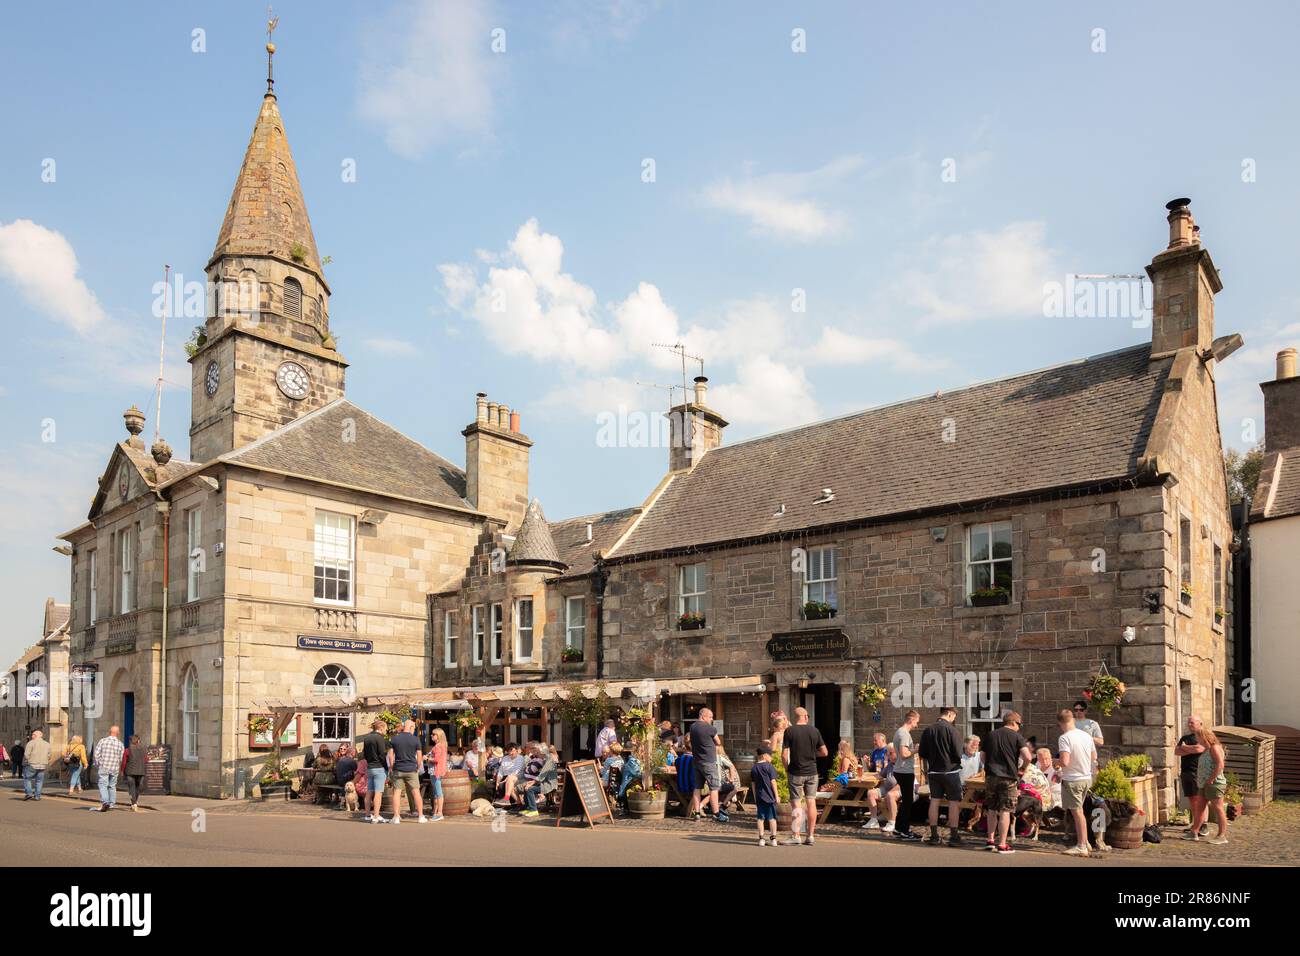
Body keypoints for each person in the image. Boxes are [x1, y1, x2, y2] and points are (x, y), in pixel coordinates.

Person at [980, 711, 1032, 854]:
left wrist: (990, 767)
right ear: (1013, 722)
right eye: (1019, 724)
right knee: (1005, 810)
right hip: (1008, 777)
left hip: (991, 776)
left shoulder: (991, 735)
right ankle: (1002, 844)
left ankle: (990, 840)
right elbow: (1028, 756)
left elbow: (982, 756)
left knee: (991, 808)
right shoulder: (1017, 736)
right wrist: (1022, 769)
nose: (1019, 727)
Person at [919, 706, 965, 846]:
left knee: (934, 801)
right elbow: (958, 753)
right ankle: (954, 837)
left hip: (933, 771)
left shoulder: (928, 730)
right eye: (954, 717)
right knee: (953, 803)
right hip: (950, 771)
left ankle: (934, 836)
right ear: (950, 714)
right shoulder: (953, 731)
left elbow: (922, 753)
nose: (954, 720)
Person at [782, 706, 828, 845]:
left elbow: (784, 755)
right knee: (811, 802)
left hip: (795, 772)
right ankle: (810, 836)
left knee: (796, 804)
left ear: (795, 717)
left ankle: (796, 836)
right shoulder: (814, 731)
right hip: (812, 772)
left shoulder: (789, 731)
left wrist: (787, 769)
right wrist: (813, 755)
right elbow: (825, 752)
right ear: (806, 717)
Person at [1057, 708, 1100, 856]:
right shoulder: (1086, 736)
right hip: (1086, 778)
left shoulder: (1064, 738)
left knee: (1077, 813)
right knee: (1079, 811)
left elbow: (1065, 761)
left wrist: (1053, 761)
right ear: (1073, 720)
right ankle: (1086, 842)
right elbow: (1093, 756)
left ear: (1060, 723)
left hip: (1073, 779)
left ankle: (1081, 845)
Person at [1188, 725, 1229, 845]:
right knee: (1199, 808)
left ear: (1204, 737)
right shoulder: (1207, 749)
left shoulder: (1215, 748)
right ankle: (1194, 832)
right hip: (1204, 784)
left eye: (1198, 737)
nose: (1197, 740)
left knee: (1218, 809)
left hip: (1215, 784)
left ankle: (1222, 836)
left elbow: (1220, 765)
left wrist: (1211, 779)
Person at [689, 708, 729, 823]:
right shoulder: (710, 728)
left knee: (697, 787)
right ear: (703, 716)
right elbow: (718, 742)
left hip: (697, 761)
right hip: (709, 761)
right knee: (714, 787)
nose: (712, 719)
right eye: (710, 717)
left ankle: (696, 813)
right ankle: (716, 813)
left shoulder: (692, 727)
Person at [1174, 715, 1211, 837]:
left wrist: (1185, 747)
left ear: (1200, 723)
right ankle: (1196, 824)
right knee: (1192, 799)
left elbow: (1199, 749)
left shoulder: (1203, 736)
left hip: (1199, 772)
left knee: (1201, 800)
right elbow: (1177, 752)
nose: (1189, 724)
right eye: (1188, 722)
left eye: (1192, 722)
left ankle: (1204, 825)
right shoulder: (1185, 737)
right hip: (1186, 772)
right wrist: (1189, 749)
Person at [388, 719, 426, 824]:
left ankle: (396, 817)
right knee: (416, 793)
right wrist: (418, 767)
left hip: (398, 769)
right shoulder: (415, 740)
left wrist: (391, 766)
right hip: (411, 769)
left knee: (396, 793)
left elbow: (391, 755)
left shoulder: (394, 739)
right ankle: (421, 816)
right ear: (411, 728)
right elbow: (419, 756)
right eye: (413, 727)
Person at [891, 710, 921, 841]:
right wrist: (916, 750)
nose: (917, 725)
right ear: (911, 720)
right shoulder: (904, 734)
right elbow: (904, 754)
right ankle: (904, 831)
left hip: (901, 770)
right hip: (904, 771)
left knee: (905, 801)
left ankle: (898, 829)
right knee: (908, 802)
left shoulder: (900, 732)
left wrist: (912, 749)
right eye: (916, 722)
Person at [359, 718, 391, 823]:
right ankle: (376, 816)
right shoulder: (380, 738)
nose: (386, 731)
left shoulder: (367, 737)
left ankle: (368, 815)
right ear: (381, 728)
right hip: (379, 767)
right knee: (378, 793)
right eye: (385, 728)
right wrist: (386, 768)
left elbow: (364, 754)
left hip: (370, 767)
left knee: (369, 792)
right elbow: (382, 754)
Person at [750, 744, 780, 846]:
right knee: (772, 818)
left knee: (760, 818)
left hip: (759, 797)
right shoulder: (769, 767)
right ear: (764, 756)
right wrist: (777, 795)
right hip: (770, 797)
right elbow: (773, 782)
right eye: (770, 755)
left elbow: (753, 784)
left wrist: (755, 796)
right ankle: (773, 839)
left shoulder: (754, 768)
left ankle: (761, 839)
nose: (771, 757)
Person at [862, 756, 901, 833]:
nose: (889, 755)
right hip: (886, 789)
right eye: (889, 753)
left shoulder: (902, 765)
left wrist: (890, 792)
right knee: (871, 792)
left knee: (890, 795)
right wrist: (865, 777)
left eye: (891, 753)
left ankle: (892, 823)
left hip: (899, 789)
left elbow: (902, 783)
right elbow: (880, 775)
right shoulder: (890, 764)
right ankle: (873, 820)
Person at [519, 742, 558, 817]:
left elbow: (542, 774)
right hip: (542, 782)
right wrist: (528, 756)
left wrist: (532, 782)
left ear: (542, 752)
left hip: (549, 784)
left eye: (538, 752)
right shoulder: (544, 759)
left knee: (530, 789)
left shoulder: (549, 759)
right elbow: (525, 765)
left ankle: (533, 810)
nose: (537, 753)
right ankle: (528, 808)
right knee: (526, 786)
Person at [92, 725, 124, 812]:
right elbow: (121, 758)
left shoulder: (103, 741)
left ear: (110, 732)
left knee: (103, 784)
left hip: (104, 766)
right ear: (118, 733)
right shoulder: (120, 744)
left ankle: (105, 802)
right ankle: (111, 803)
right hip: (115, 768)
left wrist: (98, 763)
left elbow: (96, 754)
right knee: (112, 786)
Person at [424, 727, 448, 822]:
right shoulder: (442, 745)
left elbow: (436, 760)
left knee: (438, 793)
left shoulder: (438, 746)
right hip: (436, 771)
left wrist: (426, 758)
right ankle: (435, 812)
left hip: (435, 771)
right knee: (436, 792)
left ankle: (439, 813)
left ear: (439, 736)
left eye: (433, 734)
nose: (431, 735)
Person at [21, 730, 52, 801]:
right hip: (42, 765)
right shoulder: (47, 744)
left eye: (33, 735)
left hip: (32, 764)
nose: (32, 736)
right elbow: (49, 755)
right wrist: (45, 760)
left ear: (36, 735)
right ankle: (37, 796)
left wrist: (27, 760)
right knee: (39, 781)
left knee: (27, 779)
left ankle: (29, 794)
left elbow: (26, 755)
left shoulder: (31, 743)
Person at [122, 735, 148, 811]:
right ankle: (134, 803)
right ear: (138, 741)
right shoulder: (144, 749)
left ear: (130, 741)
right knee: (137, 787)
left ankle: (134, 803)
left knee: (132, 787)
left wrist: (122, 771)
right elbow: (146, 760)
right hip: (141, 771)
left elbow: (124, 762)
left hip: (130, 772)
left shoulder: (127, 750)